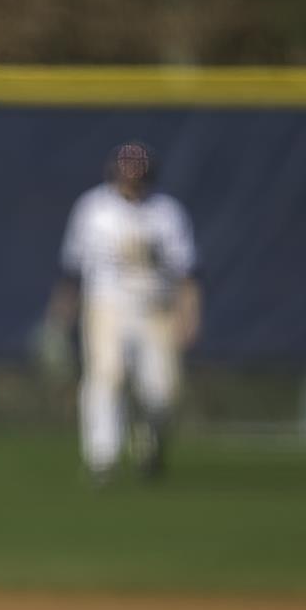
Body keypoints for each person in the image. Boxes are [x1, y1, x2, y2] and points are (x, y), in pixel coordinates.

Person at [43, 141, 200, 482]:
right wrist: (59, 318)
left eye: (136, 171)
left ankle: (149, 447)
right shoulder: (93, 209)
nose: (130, 177)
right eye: (125, 170)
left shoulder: (166, 213)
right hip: (107, 306)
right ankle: (102, 458)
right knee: (106, 377)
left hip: (156, 310)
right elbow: (72, 270)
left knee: (161, 392)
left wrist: (189, 315)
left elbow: (187, 273)